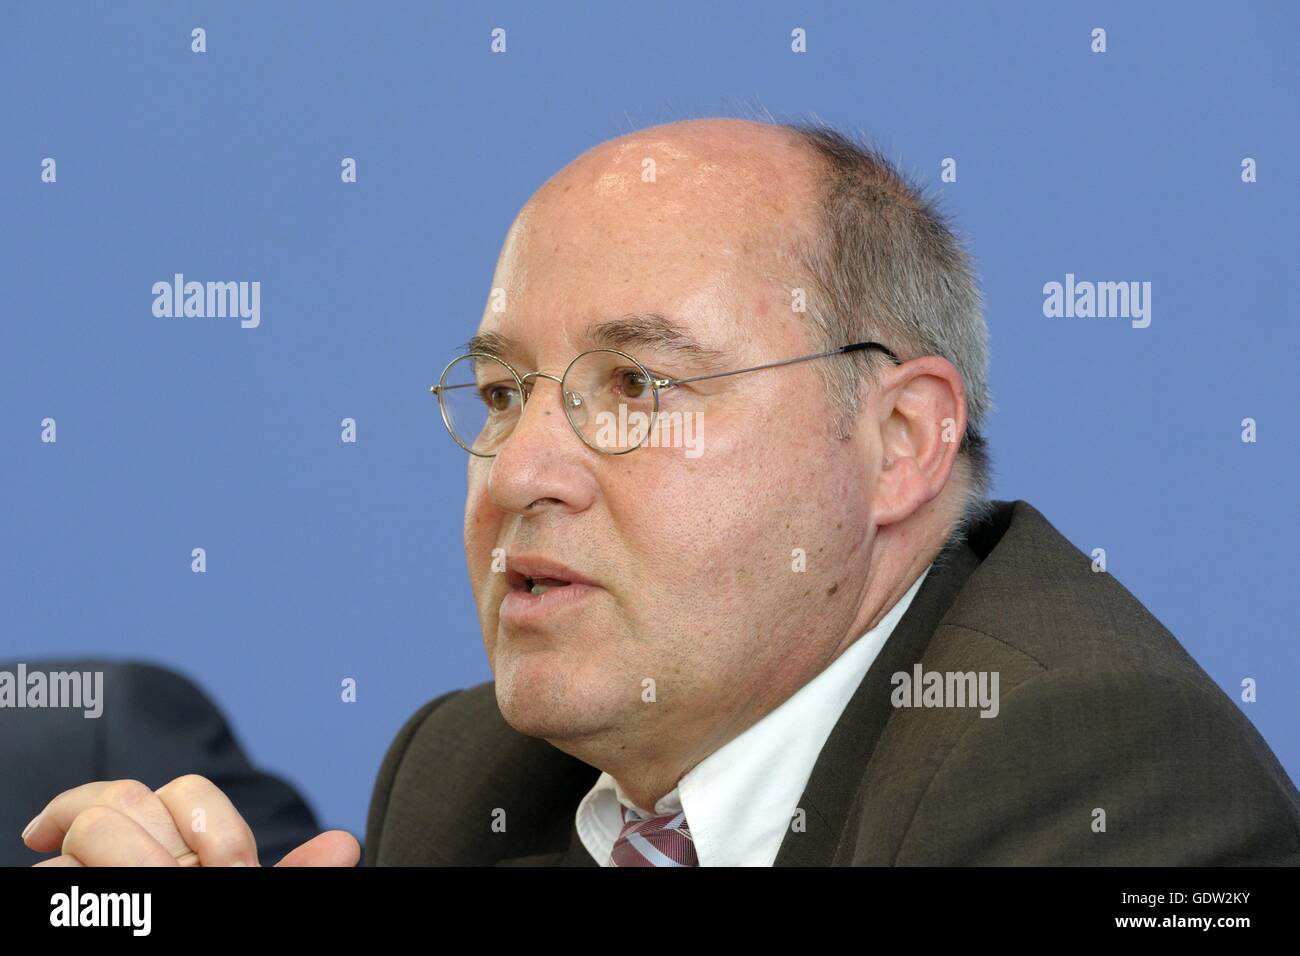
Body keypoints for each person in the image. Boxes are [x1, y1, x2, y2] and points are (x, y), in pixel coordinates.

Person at [21, 118, 1300, 866]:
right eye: (504, 389)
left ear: (900, 438)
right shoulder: (472, 776)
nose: (517, 471)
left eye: (636, 386)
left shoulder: (1093, 767)